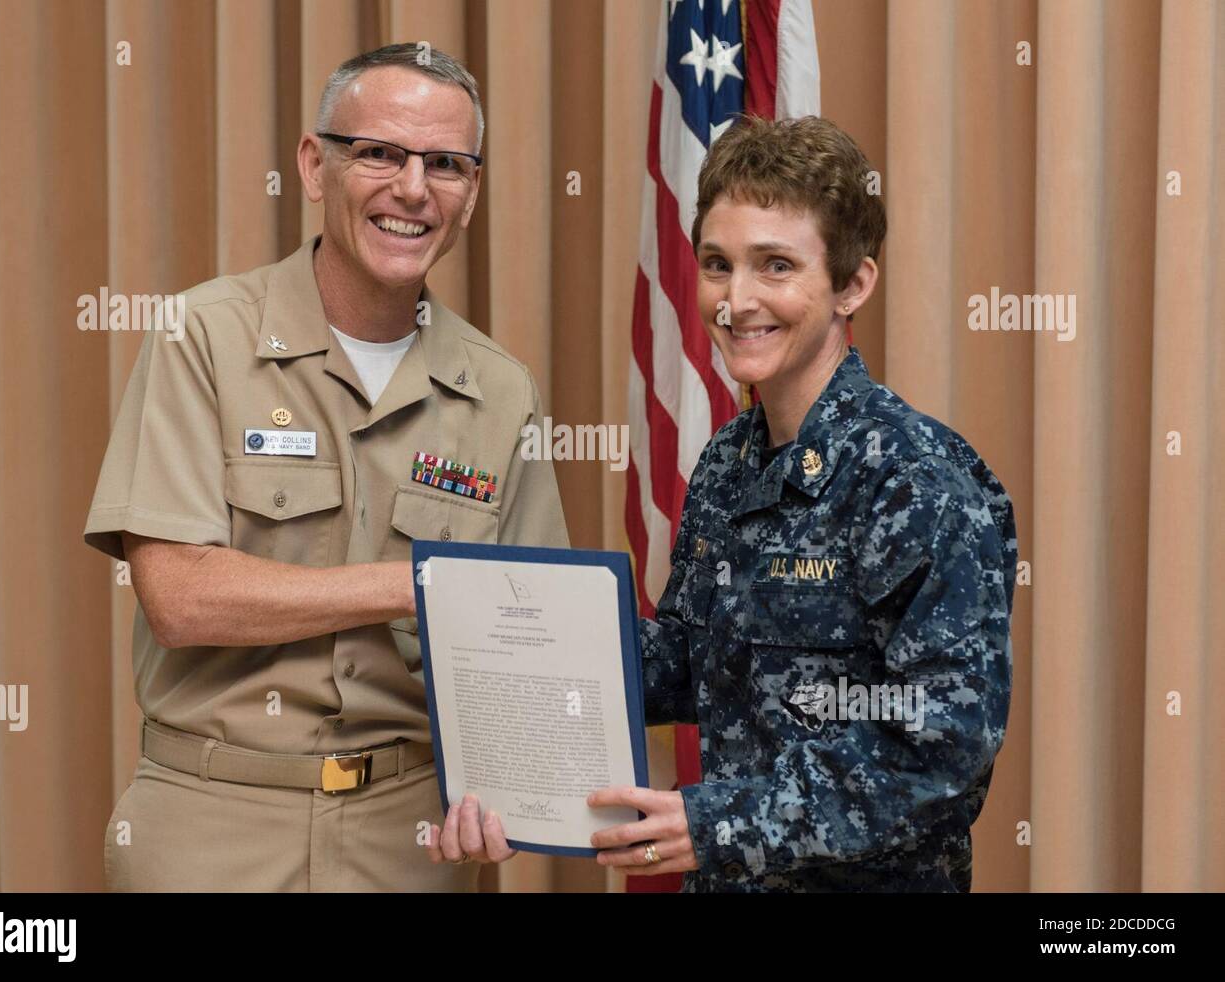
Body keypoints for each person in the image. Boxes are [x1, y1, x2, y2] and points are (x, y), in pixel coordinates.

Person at [432, 115, 1016, 893]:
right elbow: (685, 661)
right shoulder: (729, 461)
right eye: (717, 264)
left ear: (853, 284)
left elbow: (942, 747)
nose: (736, 301)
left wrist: (716, 824)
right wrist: (501, 665)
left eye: (776, 266)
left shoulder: (913, 476)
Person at [85, 43, 567, 892]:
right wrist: (426, 581)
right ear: (315, 165)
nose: (413, 189)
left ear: (472, 192)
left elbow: (530, 632)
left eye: (445, 164)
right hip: (212, 820)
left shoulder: (501, 392)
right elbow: (181, 599)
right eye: (379, 152)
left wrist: (524, 790)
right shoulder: (202, 336)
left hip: (410, 840)